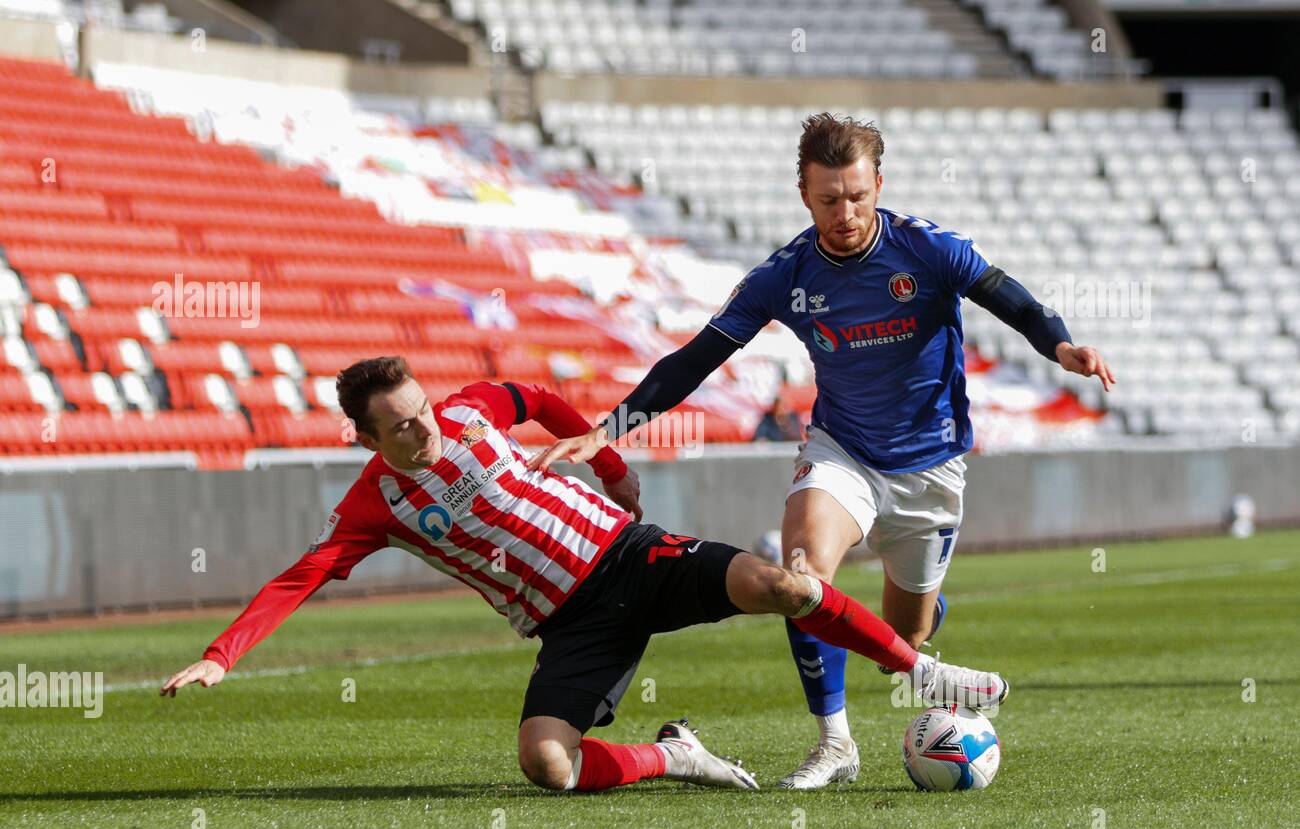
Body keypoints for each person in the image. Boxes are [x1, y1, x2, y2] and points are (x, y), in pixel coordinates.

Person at [529, 111, 1112, 790]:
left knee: (905, 640)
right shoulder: (785, 275)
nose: (846, 213)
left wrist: (1060, 344)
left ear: (878, 185)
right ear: (805, 196)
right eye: (830, 199)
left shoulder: (926, 248)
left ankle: (921, 627)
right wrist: (612, 426)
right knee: (803, 575)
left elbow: (1009, 298)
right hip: (843, 453)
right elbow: (698, 358)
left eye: (858, 196)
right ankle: (835, 743)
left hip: (932, 467)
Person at [161, 356, 1009, 794]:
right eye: (403, 430)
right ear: (367, 440)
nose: (425, 434)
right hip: (573, 625)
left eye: (421, 414)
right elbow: (300, 576)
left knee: (782, 583)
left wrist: (606, 461)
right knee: (547, 767)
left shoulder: (468, 408)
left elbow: (532, 397)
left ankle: (921, 670)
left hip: (629, 553)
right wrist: (220, 655)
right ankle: (677, 758)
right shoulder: (372, 505)